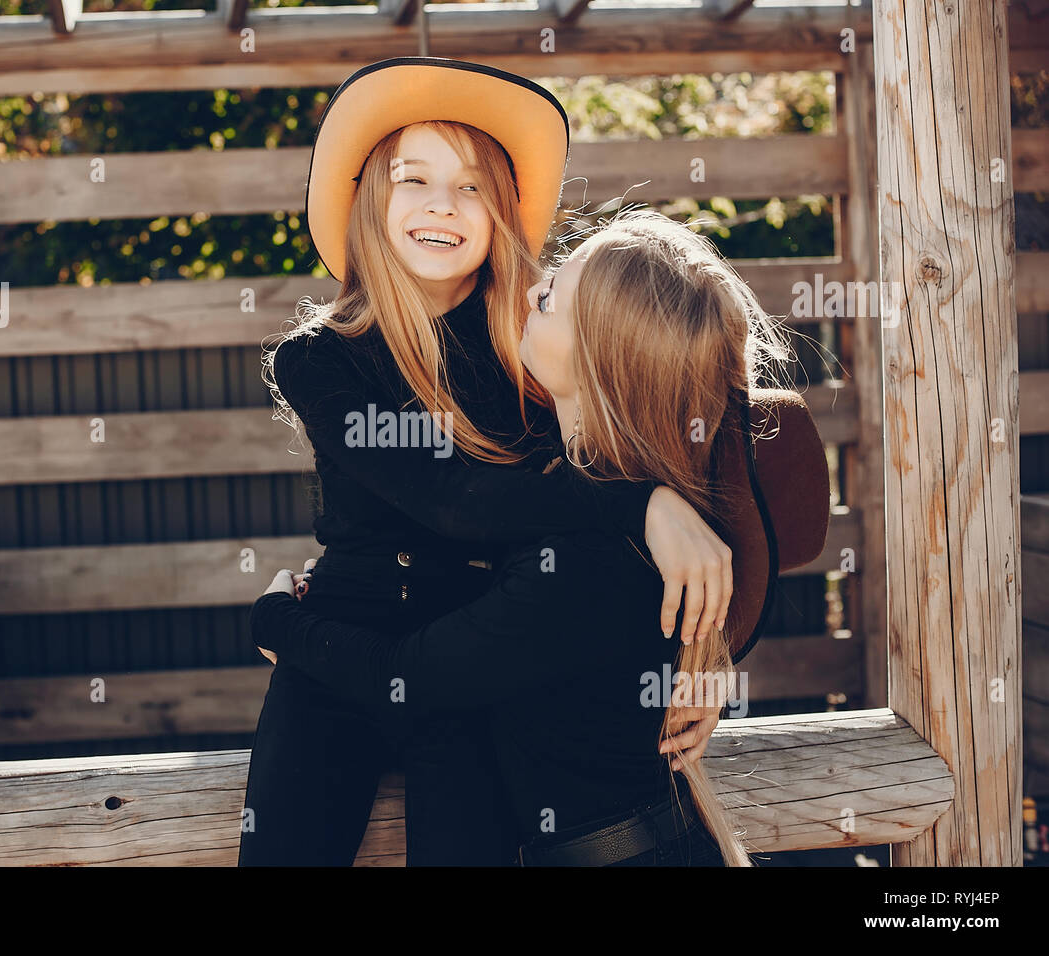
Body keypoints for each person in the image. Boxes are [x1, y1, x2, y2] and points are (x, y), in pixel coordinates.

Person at [238, 58, 734, 867]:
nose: (442, 203)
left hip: (476, 658)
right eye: (414, 179)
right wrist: (639, 505)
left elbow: (686, 454)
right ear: (369, 199)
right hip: (339, 638)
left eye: (471, 186)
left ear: (501, 210)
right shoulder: (318, 359)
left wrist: (705, 662)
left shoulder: (535, 346)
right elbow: (450, 499)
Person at [252, 208, 831, 866]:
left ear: (597, 356)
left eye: (551, 299)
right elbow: (459, 500)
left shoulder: (583, 560)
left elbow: (407, 675)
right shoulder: (593, 487)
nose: (530, 293)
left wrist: (277, 620)